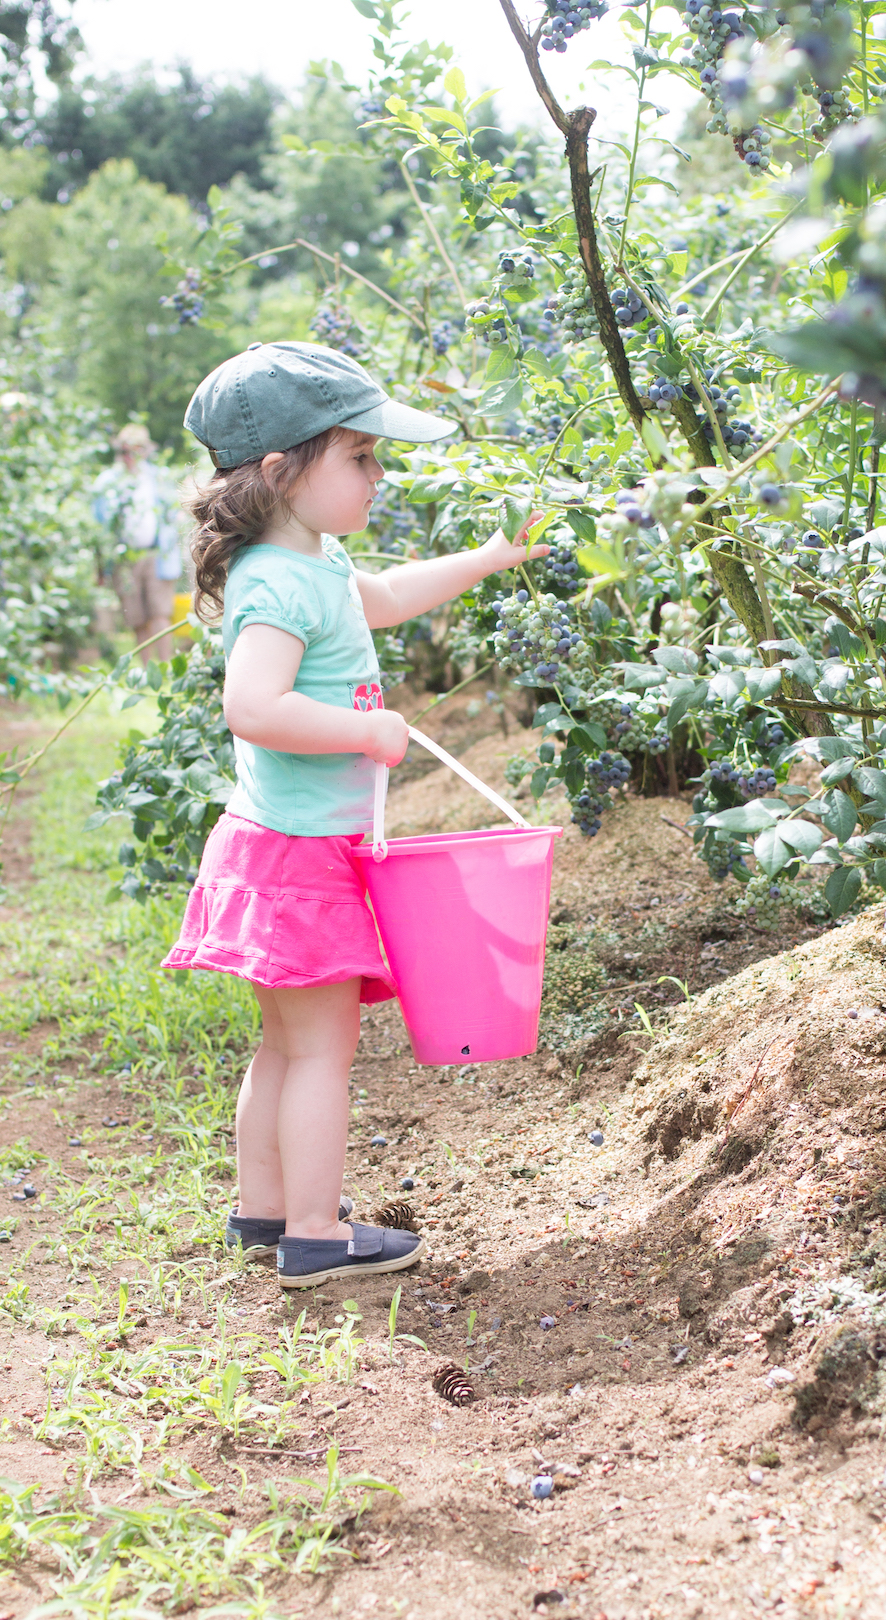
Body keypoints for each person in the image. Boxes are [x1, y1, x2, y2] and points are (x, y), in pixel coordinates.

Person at [162, 340, 545, 1290]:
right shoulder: (280, 584)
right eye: (361, 457)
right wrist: (362, 731)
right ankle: (315, 1235)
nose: (379, 475)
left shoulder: (312, 561)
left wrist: (492, 557)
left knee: (287, 1046)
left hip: (275, 854)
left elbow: (384, 598)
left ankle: (262, 1212)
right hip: (298, 864)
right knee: (323, 1056)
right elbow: (252, 707)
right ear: (283, 471)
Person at [92, 422, 184, 664]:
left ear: (144, 451)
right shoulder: (107, 482)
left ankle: (164, 668)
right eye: (124, 451)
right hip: (124, 557)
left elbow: (174, 514)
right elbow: (98, 528)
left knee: (160, 613)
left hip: (157, 554)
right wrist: (100, 567)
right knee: (136, 617)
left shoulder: (158, 478)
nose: (129, 457)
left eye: (134, 451)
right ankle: (146, 670)